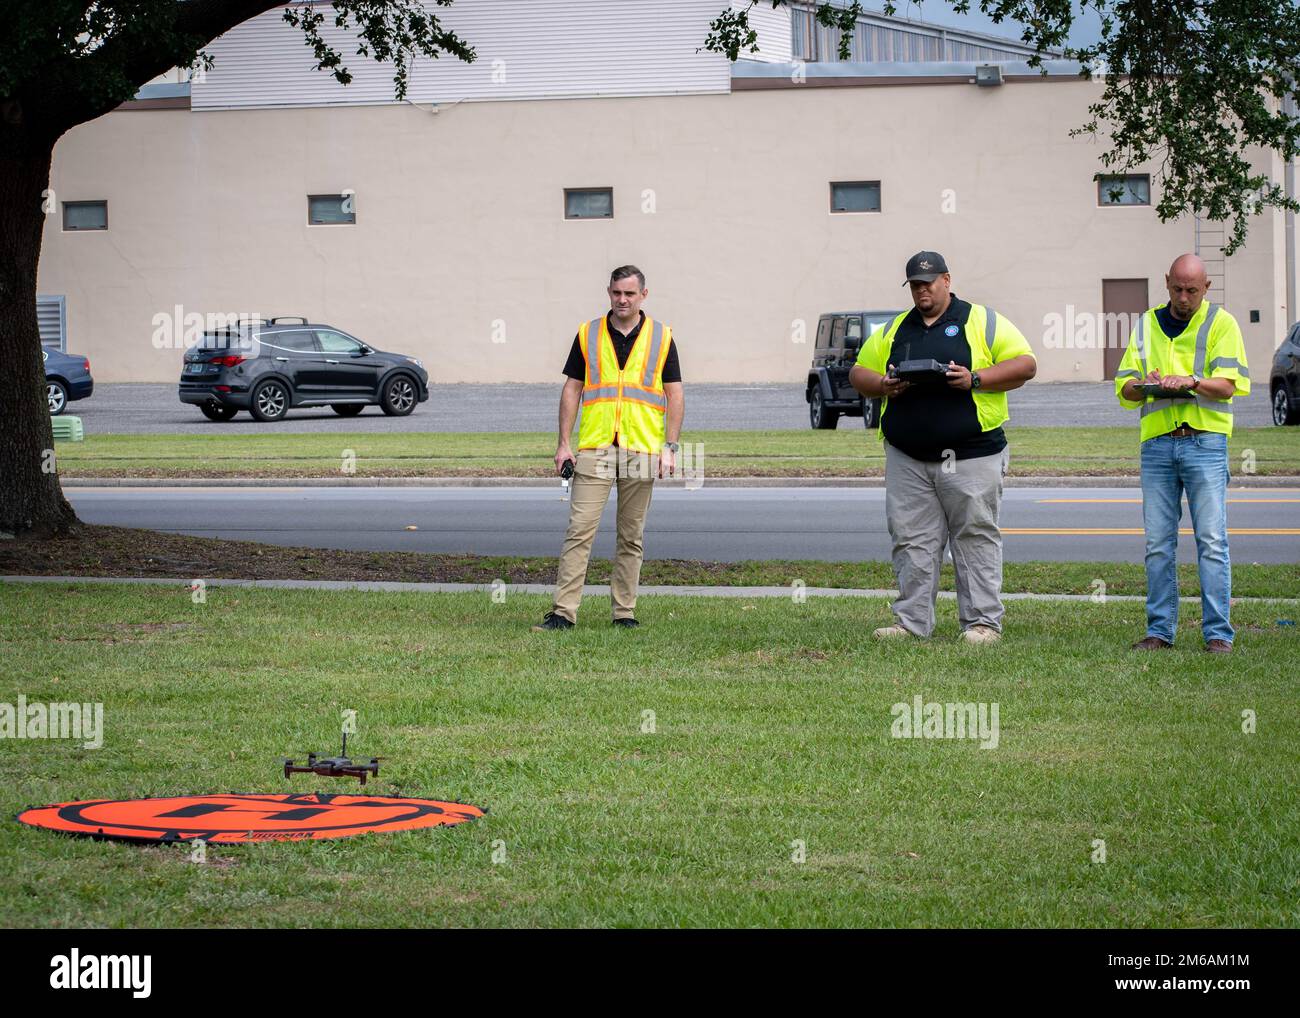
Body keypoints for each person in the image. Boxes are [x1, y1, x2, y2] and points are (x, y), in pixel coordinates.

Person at [849, 251, 1037, 643]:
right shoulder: (896, 329)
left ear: (947, 280)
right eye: (915, 285)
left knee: (974, 536)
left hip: (972, 453)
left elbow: (1025, 364)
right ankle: (912, 623)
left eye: (929, 283)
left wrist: (976, 379)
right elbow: (858, 372)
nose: (922, 291)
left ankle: (982, 623)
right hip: (908, 456)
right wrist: (883, 385)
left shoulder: (982, 321)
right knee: (912, 539)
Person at [533, 265, 684, 631]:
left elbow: (674, 393)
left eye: (630, 293)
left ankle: (624, 614)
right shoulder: (588, 333)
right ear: (609, 292)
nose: (622, 300)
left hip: (642, 449)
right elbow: (572, 389)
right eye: (617, 292)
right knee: (579, 530)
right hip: (596, 447)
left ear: (643, 295)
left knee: (631, 536)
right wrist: (563, 444)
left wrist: (671, 447)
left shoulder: (662, 337)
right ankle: (563, 613)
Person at [1115, 253, 1250, 653]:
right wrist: (1145, 384)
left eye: (1192, 290)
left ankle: (1218, 635)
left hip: (1205, 442)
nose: (1184, 297)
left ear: (1206, 288)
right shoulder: (1146, 325)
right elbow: (1124, 386)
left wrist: (1190, 382)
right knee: (1158, 543)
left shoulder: (1220, 324)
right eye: (1177, 288)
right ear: (1166, 283)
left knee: (1211, 540)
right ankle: (1160, 631)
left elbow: (1230, 385)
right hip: (1157, 443)